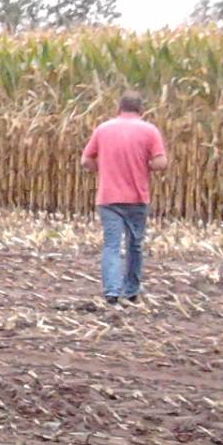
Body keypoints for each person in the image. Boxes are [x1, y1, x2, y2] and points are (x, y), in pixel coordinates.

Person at [80, 92, 168, 304]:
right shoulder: (149, 130)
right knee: (134, 245)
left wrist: (103, 169)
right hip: (137, 197)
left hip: (108, 198)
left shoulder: (103, 129)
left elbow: (85, 160)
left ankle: (111, 291)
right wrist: (143, 166)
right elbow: (161, 162)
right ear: (141, 111)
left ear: (118, 109)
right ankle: (131, 291)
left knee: (111, 244)